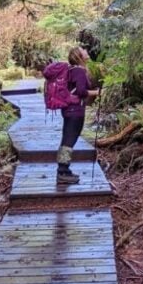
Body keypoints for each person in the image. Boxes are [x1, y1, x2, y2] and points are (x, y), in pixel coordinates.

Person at [56, 46, 99, 184]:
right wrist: (96, 93)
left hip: (69, 110)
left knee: (67, 139)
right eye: (83, 50)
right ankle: (62, 172)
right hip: (75, 111)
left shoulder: (72, 70)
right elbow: (81, 91)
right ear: (79, 56)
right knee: (69, 141)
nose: (87, 51)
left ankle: (64, 170)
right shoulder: (79, 71)